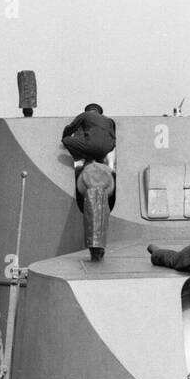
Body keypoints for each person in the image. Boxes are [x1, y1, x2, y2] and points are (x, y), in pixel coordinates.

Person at [61, 103, 117, 261]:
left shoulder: (85, 116)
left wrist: (65, 137)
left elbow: (70, 128)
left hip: (89, 152)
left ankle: (79, 160)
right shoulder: (109, 121)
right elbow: (112, 139)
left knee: (67, 140)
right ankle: (98, 248)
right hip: (106, 149)